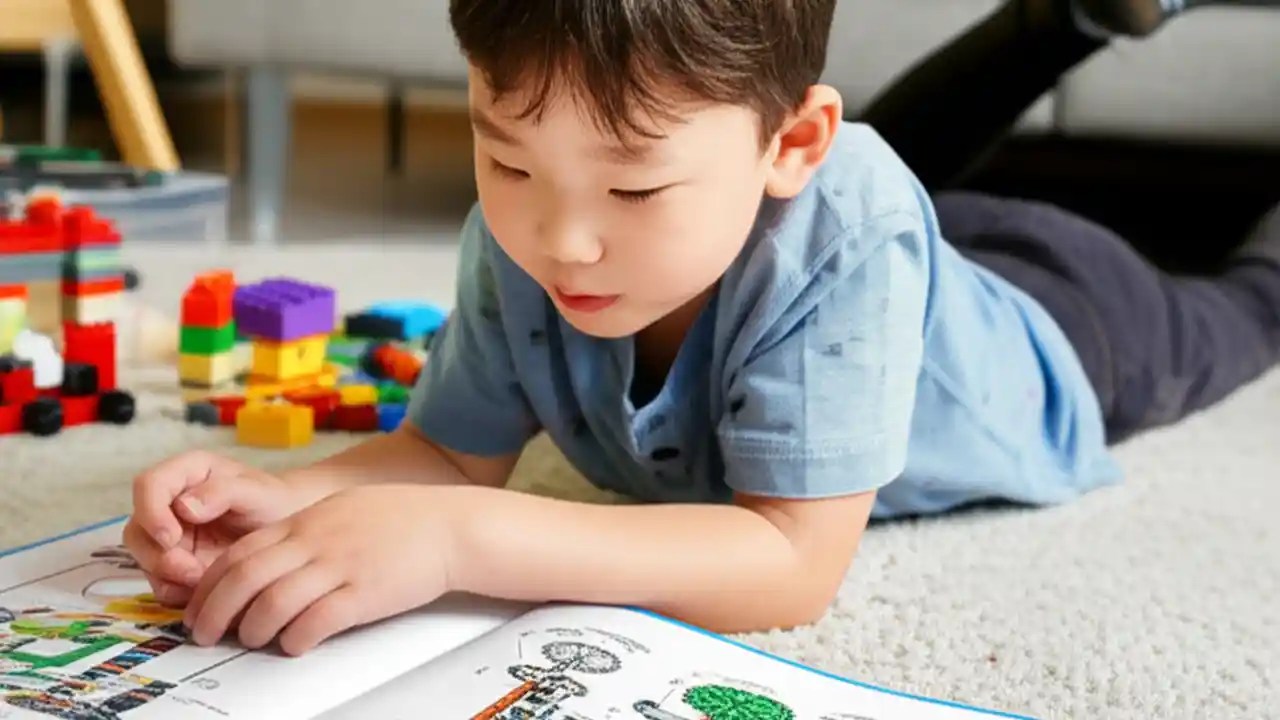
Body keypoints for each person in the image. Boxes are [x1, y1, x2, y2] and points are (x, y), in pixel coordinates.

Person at [123, 0, 1280, 657]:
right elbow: (439, 454)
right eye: (505, 156)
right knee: (829, 185)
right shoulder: (530, 228)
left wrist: (457, 537)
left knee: (1246, 309)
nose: (560, 238)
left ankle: (1051, 22)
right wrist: (302, 492)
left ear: (791, 149)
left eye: (629, 191)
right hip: (839, 237)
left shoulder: (842, 221)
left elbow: (786, 564)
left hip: (1067, 322)